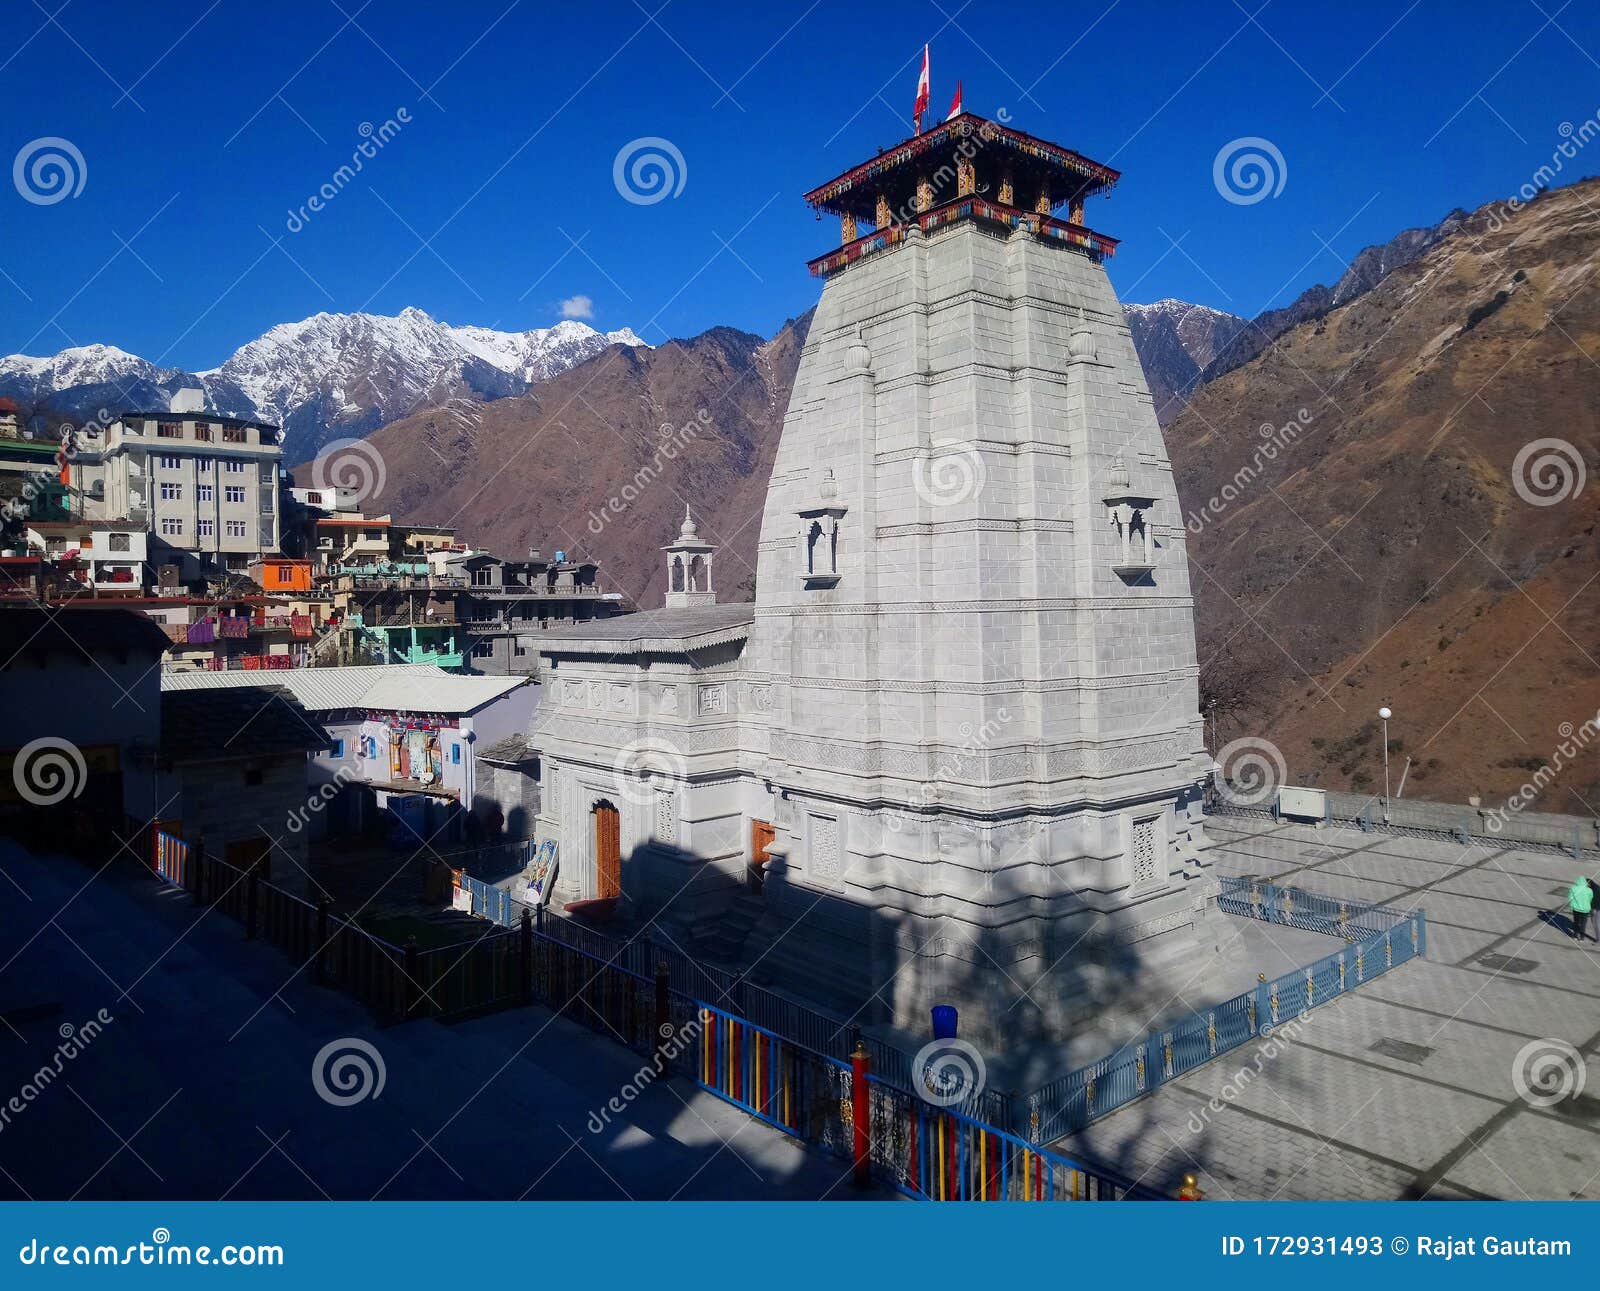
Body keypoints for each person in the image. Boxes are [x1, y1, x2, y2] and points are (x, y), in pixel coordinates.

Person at [1568, 875, 1593, 941]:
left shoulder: (1573, 888)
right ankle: (1582, 937)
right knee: (1583, 923)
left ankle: (1576, 935)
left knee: (1576, 922)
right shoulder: (1589, 890)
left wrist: (1572, 905)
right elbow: (1590, 899)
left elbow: (1570, 898)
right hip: (1585, 909)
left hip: (1576, 909)